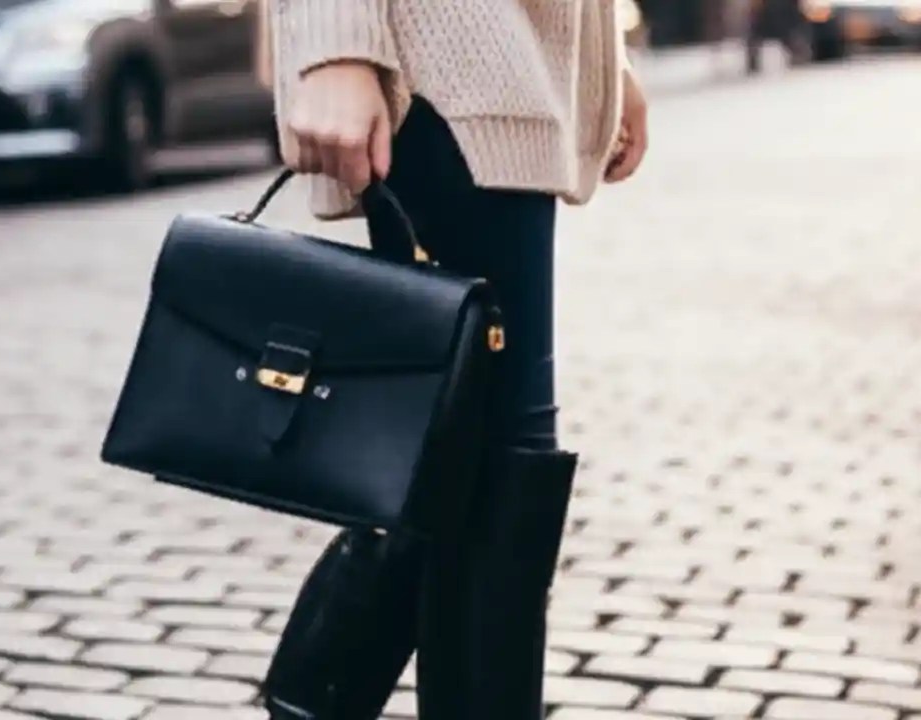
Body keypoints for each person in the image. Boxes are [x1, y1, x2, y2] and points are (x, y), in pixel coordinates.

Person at [259, 2, 650, 718]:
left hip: (512, 63)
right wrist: (333, 43)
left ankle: (308, 698)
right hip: (446, 73)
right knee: (497, 470)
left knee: (466, 468)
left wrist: (602, 54)